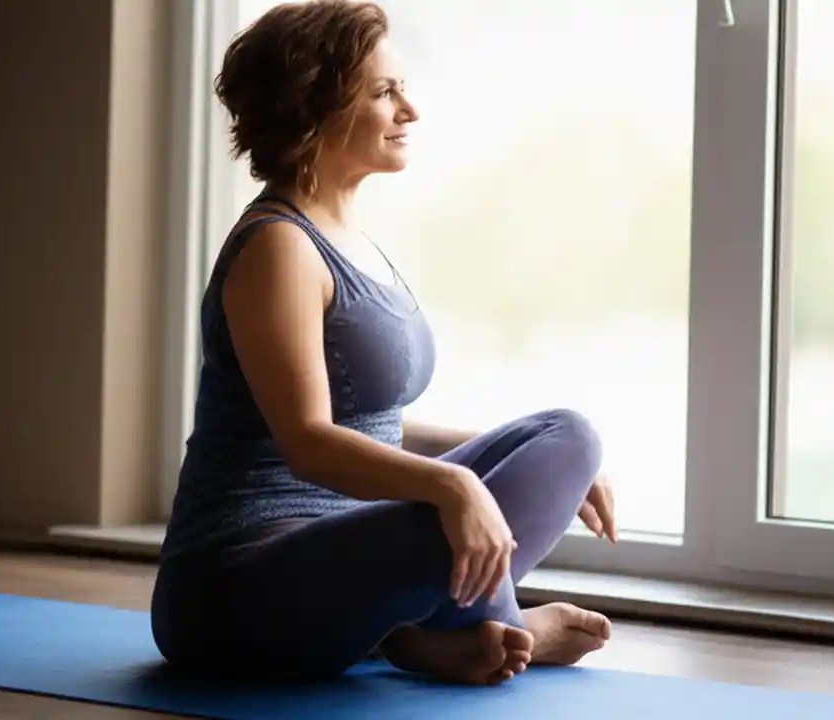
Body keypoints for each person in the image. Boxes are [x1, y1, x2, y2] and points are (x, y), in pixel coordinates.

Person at [150, 0, 619, 686]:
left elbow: (376, 430)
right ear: (314, 108)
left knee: (568, 435)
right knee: (449, 504)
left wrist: (523, 460)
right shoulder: (277, 249)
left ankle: (408, 632)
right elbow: (308, 441)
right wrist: (456, 484)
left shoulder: (347, 240)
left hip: (340, 555)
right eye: (383, 92)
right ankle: (488, 628)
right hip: (237, 588)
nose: (410, 110)